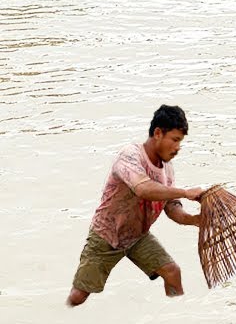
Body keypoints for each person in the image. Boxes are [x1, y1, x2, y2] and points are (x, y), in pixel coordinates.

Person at [67, 104, 205, 306]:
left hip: (137, 237)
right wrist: (186, 192)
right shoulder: (130, 155)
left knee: (172, 272)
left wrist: (195, 220)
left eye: (180, 142)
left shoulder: (167, 167)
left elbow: (171, 207)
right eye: (175, 140)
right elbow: (143, 189)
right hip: (107, 236)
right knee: (79, 296)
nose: (177, 148)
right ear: (158, 133)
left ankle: (174, 319)